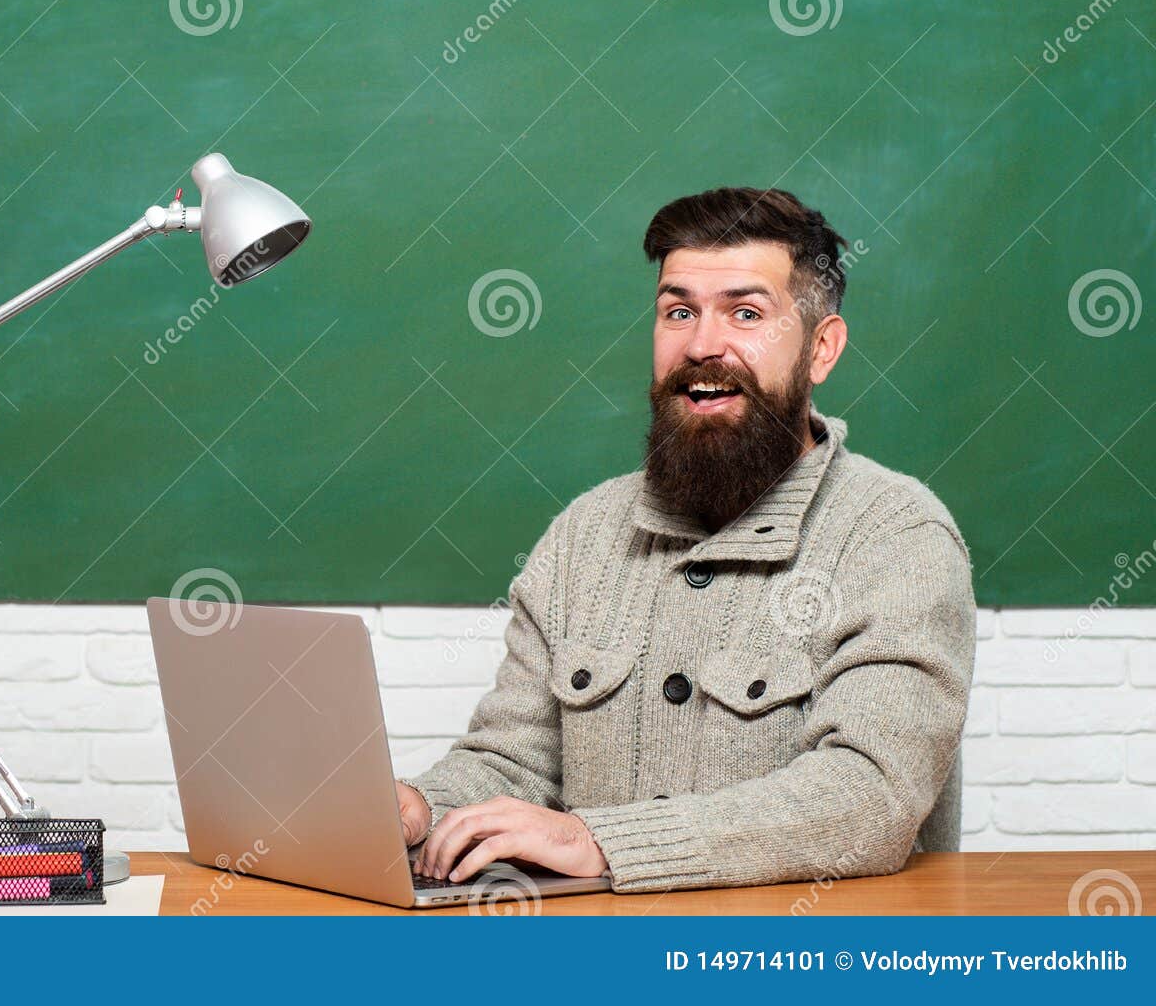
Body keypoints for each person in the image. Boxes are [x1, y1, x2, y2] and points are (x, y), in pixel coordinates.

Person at [398, 187, 976, 892]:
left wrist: (599, 841)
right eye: (678, 312)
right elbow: (515, 763)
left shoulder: (898, 538)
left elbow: (867, 799)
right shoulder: (583, 535)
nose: (702, 345)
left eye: (746, 313)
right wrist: (422, 809)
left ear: (821, 350)